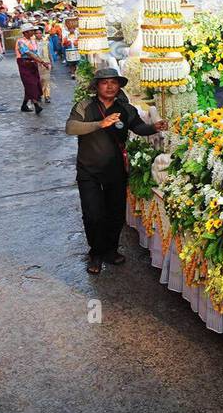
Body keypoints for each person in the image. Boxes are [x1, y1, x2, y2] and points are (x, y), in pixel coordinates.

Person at [65, 67, 167, 274]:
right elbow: (71, 127)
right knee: (93, 214)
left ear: (119, 85)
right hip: (89, 171)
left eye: (114, 82)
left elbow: (138, 127)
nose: (110, 86)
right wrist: (99, 124)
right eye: (105, 82)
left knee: (115, 214)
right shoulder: (85, 106)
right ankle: (96, 253)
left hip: (116, 170)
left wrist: (155, 127)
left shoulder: (125, 108)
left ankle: (111, 250)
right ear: (96, 86)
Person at [15, 24, 46, 115]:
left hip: (33, 63)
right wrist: (41, 62)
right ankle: (36, 105)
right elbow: (29, 54)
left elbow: (35, 53)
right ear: (25, 32)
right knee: (31, 84)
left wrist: (40, 61)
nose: (33, 32)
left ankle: (24, 105)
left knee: (33, 84)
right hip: (24, 63)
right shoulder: (20, 41)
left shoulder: (32, 40)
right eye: (31, 31)